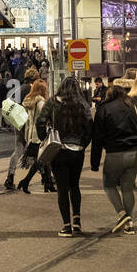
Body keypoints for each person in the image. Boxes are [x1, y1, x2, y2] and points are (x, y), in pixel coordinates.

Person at [89, 78, 137, 234]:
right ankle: (130, 225)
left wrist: (94, 162)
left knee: (109, 185)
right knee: (128, 188)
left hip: (114, 153)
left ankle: (122, 214)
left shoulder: (104, 109)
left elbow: (97, 138)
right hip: (134, 153)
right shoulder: (135, 106)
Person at [48, 78, 93, 236]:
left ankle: (66, 226)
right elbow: (90, 127)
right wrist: (83, 145)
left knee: (62, 189)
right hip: (76, 151)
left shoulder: (53, 102)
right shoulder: (83, 105)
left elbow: (40, 121)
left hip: (58, 150)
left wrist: (47, 140)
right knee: (75, 186)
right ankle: (77, 221)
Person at [16, 80, 52, 194]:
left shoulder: (29, 101)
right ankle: (25, 181)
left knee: (45, 159)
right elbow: (44, 118)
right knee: (41, 160)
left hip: (31, 133)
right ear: (41, 89)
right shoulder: (40, 102)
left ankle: (48, 183)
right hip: (39, 135)